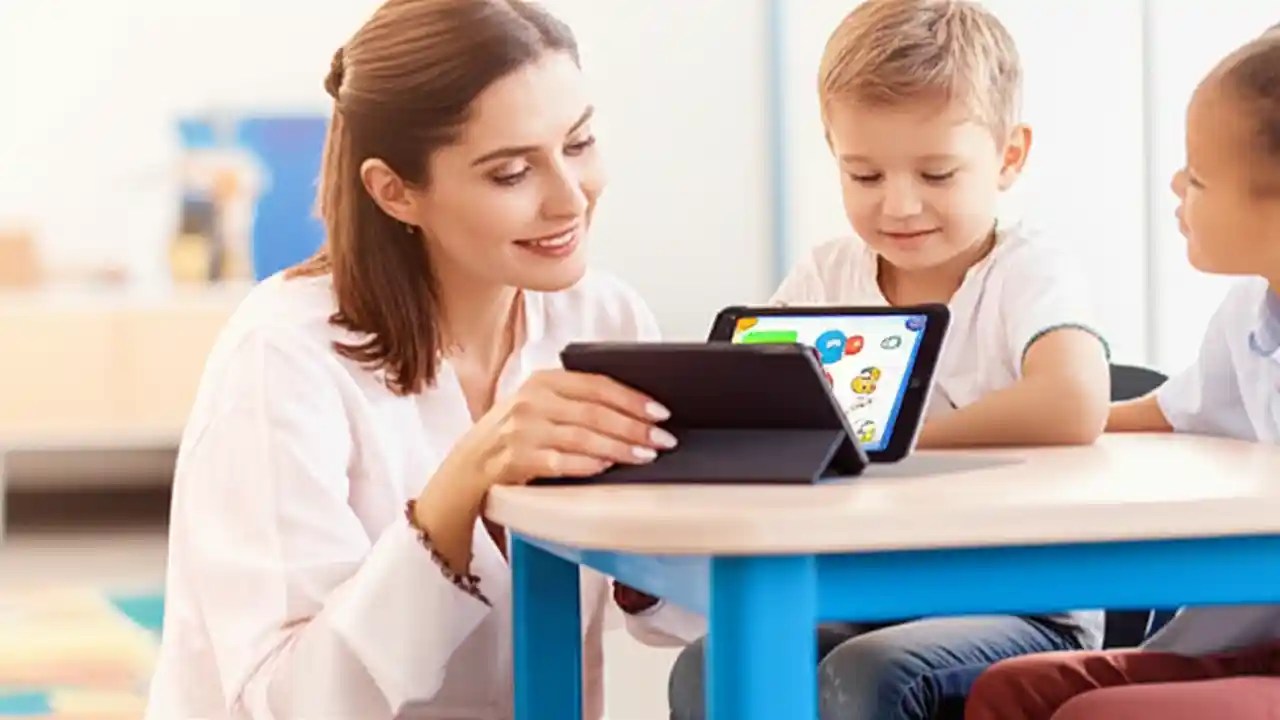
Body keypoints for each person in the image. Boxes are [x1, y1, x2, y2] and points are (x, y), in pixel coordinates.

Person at [143, 1, 683, 718]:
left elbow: (665, 612)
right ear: (395, 191)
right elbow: (294, 700)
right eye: (512, 173)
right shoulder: (282, 355)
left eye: (578, 144)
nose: (569, 198)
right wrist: (461, 485)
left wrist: (654, 549)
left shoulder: (603, 319)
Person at [660, 2, 1112, 718]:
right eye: (865, 176)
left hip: (1022, 603)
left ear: (1009, 157)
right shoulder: (826, 275)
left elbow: (1073, 400)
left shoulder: (1029, 272)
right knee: (715, 663)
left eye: (936, 175)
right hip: (866, 589)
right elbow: (746, 402)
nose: (900, 206)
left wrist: (878, 442)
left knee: (872, 674)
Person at [965, 28, 1280, 720]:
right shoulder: (1253, 311)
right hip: (1258, 638)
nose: (1175, 185)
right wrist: (981, 431)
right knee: (1008, 690)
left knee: (1097, 715)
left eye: (1197, 177)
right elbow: (1168, 414)